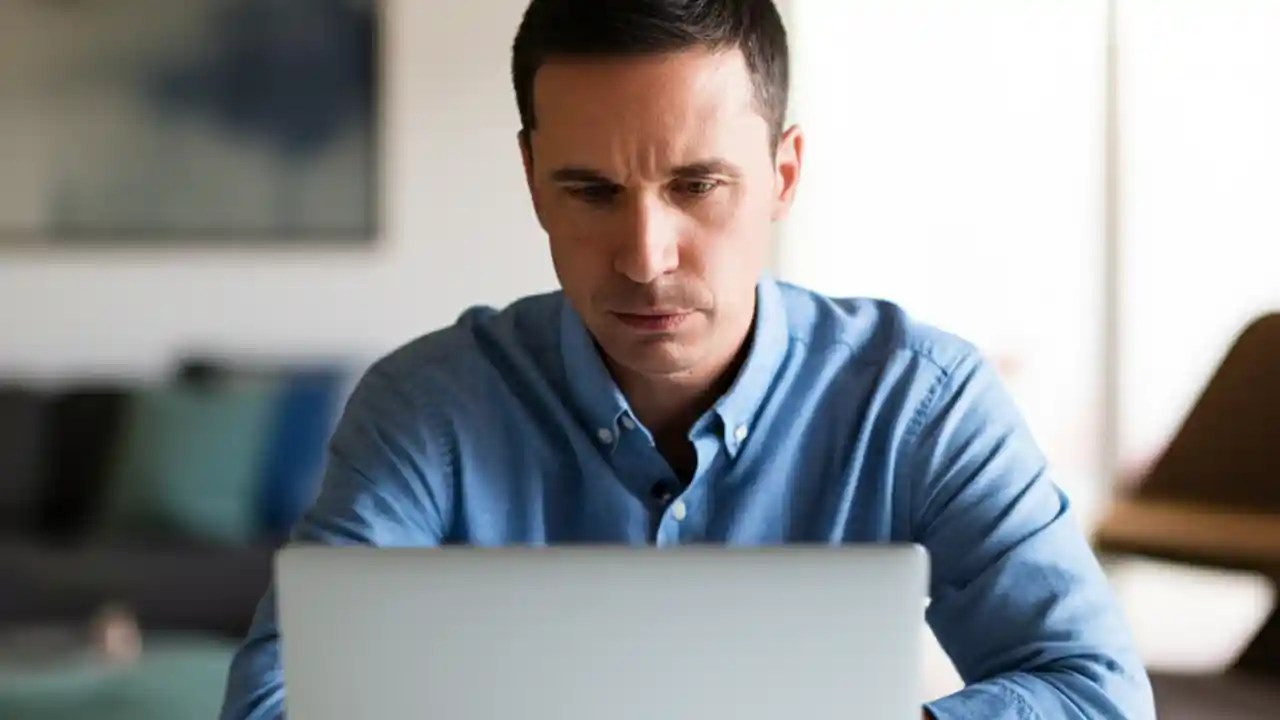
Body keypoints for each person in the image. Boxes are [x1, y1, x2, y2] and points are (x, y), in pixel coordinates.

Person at [221, 1, 1155, 718]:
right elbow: (276, 701)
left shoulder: (922, 401)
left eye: (698, 185)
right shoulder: (424, 408)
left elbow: (1096, 691)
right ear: (533, 183)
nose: (644, 256)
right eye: (589, 191)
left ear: (783, 176)